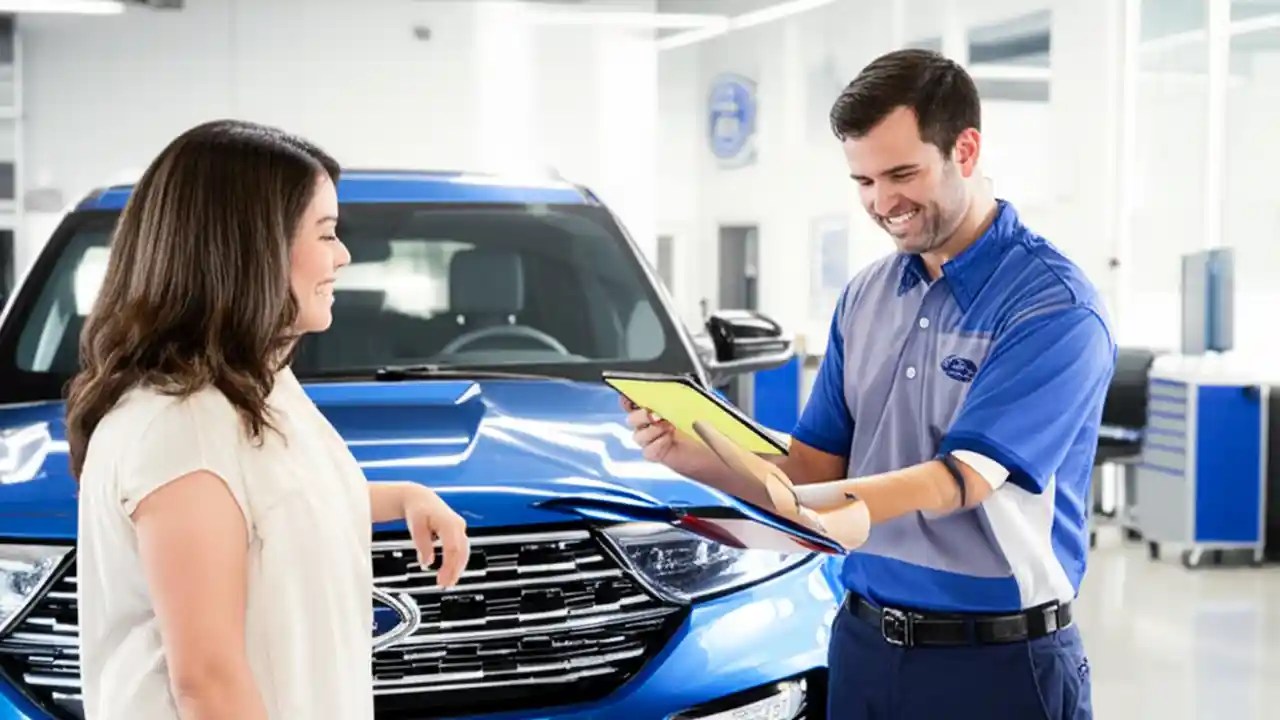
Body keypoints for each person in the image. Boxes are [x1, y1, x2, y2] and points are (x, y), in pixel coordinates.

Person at [624, 49, 1114, 719]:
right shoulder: (866, 297)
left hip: (997, 664)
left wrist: (839, 508)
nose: (883, 203)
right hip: (863, 647)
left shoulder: (1050, 306)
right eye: (864, 181)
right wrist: (696, 458)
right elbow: (809, 469)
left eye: (902, 174)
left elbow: (962, 477)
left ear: (964, 150)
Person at [65, 119, 470, 720]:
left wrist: (402, 497)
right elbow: (209, 681)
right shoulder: (181, 428)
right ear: (253, 248)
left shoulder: (256, 387)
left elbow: (267, 506)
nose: (343, 255)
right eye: (326, 234)